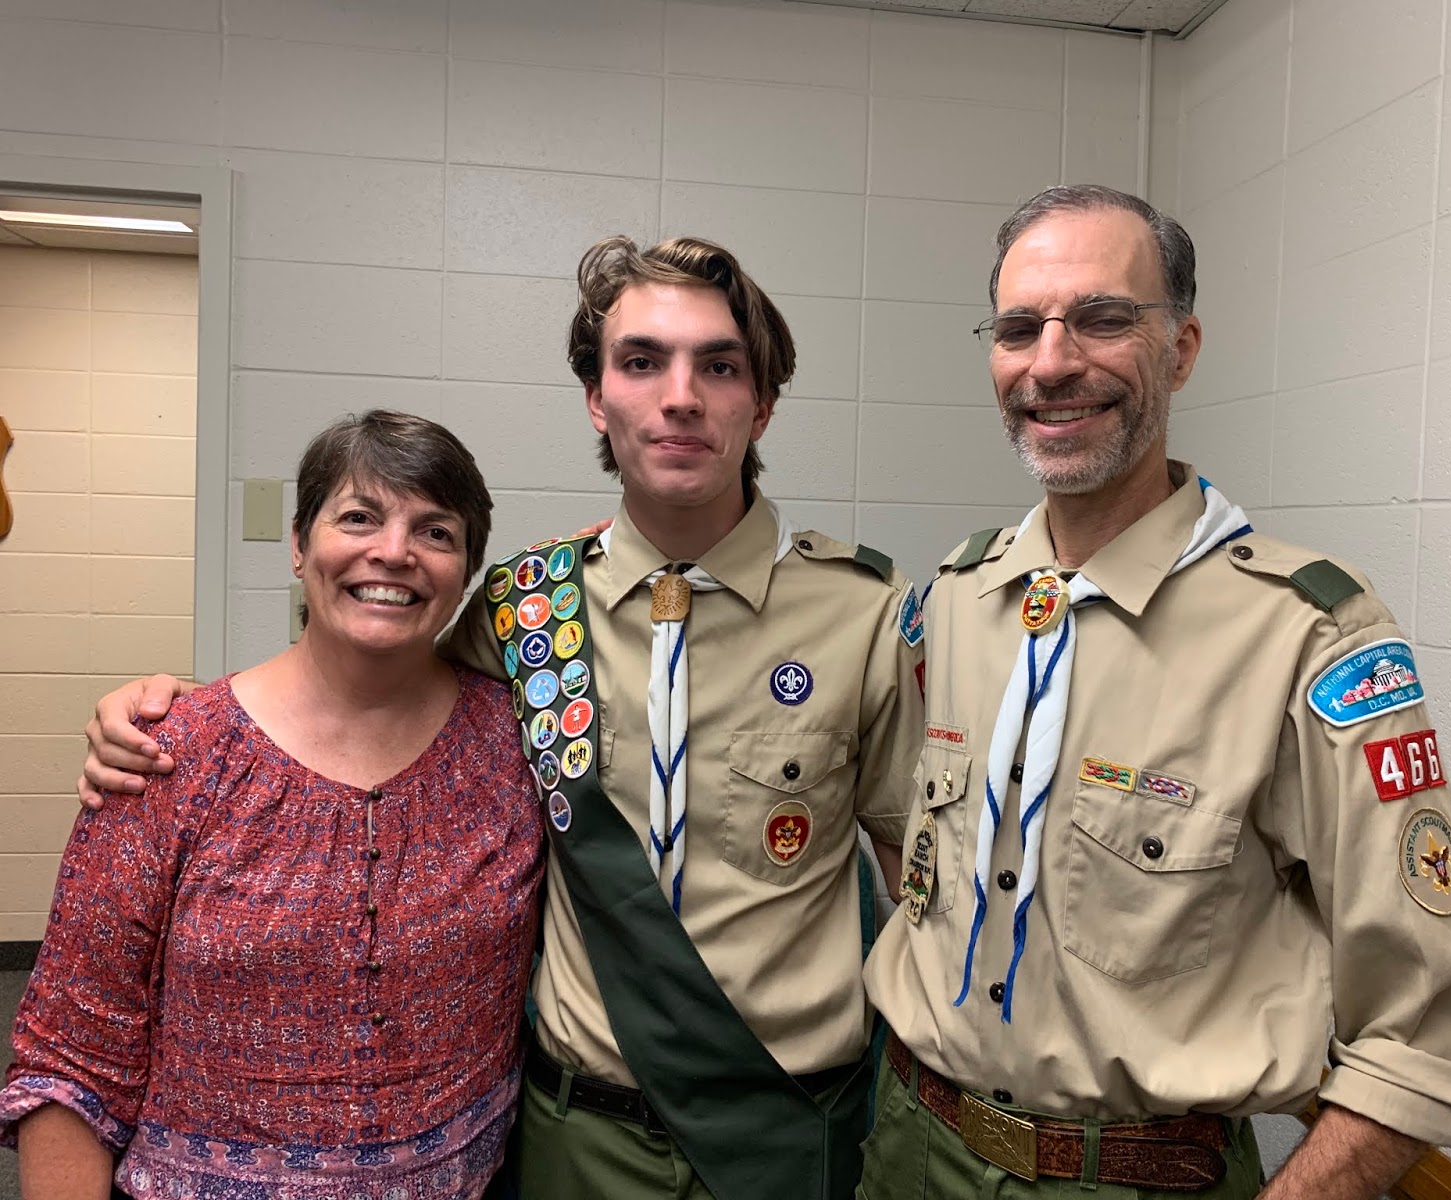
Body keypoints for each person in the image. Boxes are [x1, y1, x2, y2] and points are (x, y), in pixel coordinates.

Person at [79, 236, 926, 1200]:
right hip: (579, 1135)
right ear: (598, 399)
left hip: (788, 1124)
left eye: (720, 365)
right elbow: (366, 687)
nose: (680, 395)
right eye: (642, 361)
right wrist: (180, 707)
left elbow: (915, 876)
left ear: (761, 402)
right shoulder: (524, 612)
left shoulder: (865, 611)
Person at [858, 184, 1451, 1200]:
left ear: (1182, 347)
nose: (1053, 361)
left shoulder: (1304, 633)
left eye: (1104, 318)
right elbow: (908, 841)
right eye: (1020, 327)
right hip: (904, 1148)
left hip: (1136, 1175)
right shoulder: (954, 602)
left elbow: (1430, 1035)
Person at [4, 411, 546, 1200]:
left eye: (435, 531)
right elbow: (69, 1055)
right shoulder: (174, 756)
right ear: (299, 545)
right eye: (358, 516)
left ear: (466, 573)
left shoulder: (511, 743)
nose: (393, 551)